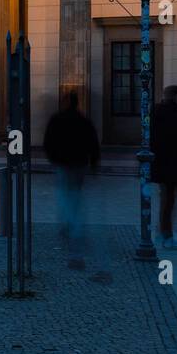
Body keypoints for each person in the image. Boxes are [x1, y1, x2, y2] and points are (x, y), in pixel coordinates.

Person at [43, 91, 105, 281]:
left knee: (65, 197)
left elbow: (48, 142)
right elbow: (93, 144)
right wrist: (93, 164)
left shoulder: (57, 119)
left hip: (63, 164)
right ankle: (72, 225)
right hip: (79, 165)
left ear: (65, 102)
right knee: (74, 197)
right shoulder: (83, 121)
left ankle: (71, 230)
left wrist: (54, 159)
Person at [152, 85, 177, 249]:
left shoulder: (155, 112)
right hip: (173, 165)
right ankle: (166, 237)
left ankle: (162, 234)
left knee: (167, 201)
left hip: (161, 164)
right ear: (176, 96)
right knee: (170, 202)